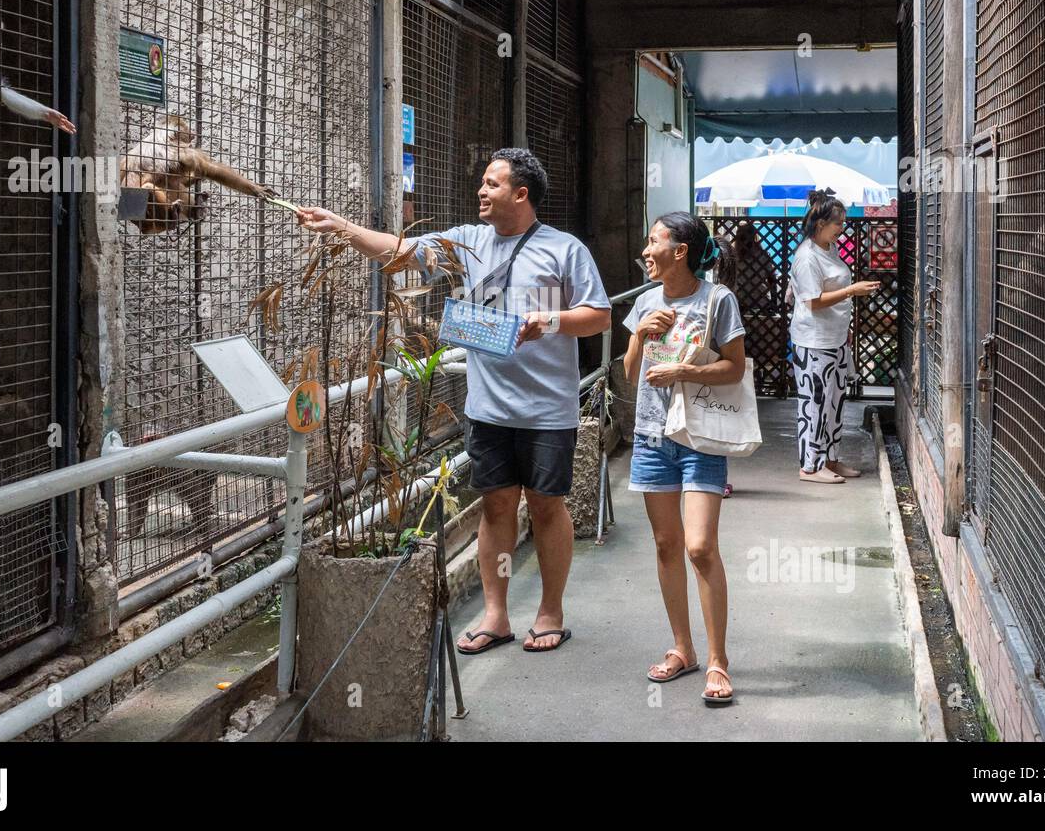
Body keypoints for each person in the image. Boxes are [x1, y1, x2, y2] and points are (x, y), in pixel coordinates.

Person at [297, 148, 611, 654]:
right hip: (488, 407)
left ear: (521, 194)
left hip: (547, 410)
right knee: (497, 505)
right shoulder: (467, 242)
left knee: (546, 506)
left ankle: (550, 611)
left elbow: (598, 315)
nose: (481, 191)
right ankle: (496, 615)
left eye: (492, 184)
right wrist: (343, 228)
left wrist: (549, 321)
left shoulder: (564, 249)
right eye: (483, 183)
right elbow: (400, 252)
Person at [622, 212, 746, 705]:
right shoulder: (645, 301)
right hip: (652, 438)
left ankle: (718, 660)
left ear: (680, 251)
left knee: (699, 547)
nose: (646, 251)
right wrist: (639, 334)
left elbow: (734, 369)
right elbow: (630, 373)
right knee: (666, 545)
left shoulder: (718, 300)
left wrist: (682, 372)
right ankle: (683, 649)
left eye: (654, 241)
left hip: (699, 439)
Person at [788, 189, 880, 484]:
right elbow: (812, 301)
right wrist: (852, 290)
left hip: (835, 337)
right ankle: (810, 466)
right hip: (814, 341)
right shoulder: (806, 257)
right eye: (838, 223)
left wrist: (846, 327)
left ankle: (830, 459)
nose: (842, 227)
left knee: (834, 403)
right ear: (821, 224)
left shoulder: (829, 248)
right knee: (814, 404)